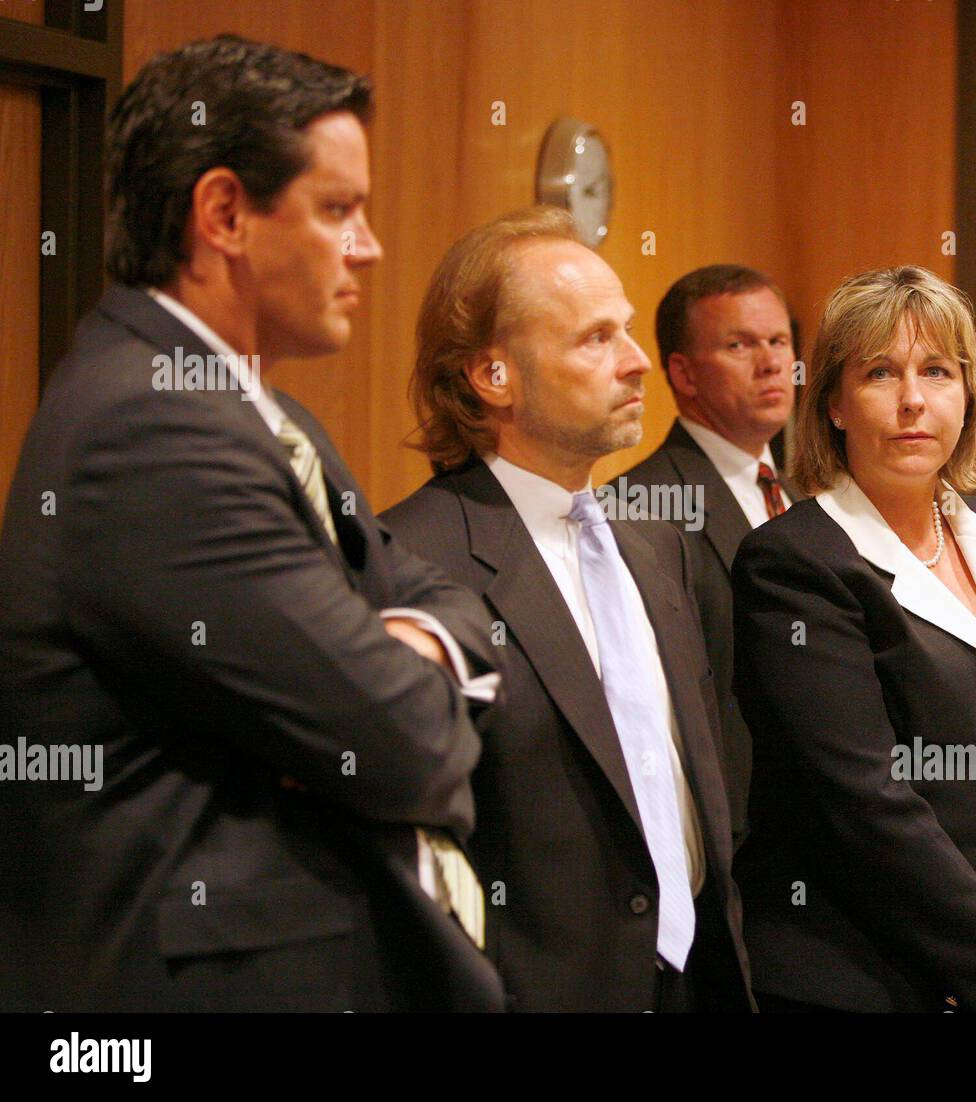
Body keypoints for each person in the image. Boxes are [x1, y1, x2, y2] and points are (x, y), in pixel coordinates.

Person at [0, 36, 503, 1012]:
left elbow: (445, 599)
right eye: (337, 210)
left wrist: (401, 646)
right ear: (224, 213)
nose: (370, 246)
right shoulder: (152, 426)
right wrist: (396, 675)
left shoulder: (255, 411)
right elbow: (400, 744)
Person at [380, 207, 753, 1012]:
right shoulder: (407, 561)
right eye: (595, 339)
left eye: (627, 331)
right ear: (494, 376)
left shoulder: (658, 540)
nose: (636, 363)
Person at [730, 266, 976, 1012]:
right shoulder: (793, 562)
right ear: (835, 403)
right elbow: (864, 802)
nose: (913, 399)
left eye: (937, 370)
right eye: (880, 372)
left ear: (967, 396)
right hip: (861, 981)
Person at [616, 265, 799, 844]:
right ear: (683, 374)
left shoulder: (806, 495)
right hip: (731, 846)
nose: (770, 362)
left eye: (779, 341)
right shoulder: (635, 508)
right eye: (739, 344)